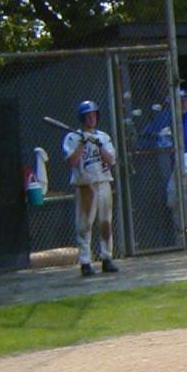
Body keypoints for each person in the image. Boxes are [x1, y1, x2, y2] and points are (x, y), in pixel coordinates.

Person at [63, 100, 118, 277]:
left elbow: (111, 160)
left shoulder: (104, 137)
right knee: (84, 225)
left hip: (103, 183)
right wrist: (82, 143)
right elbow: (71, 161)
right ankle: (85, 262)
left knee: (105, 223)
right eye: (88, 115)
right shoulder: (72, 138)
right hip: (85, 185)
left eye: (94, 114)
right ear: (82, 118)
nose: (91, 118)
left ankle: (106, 258)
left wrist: (97, 144)